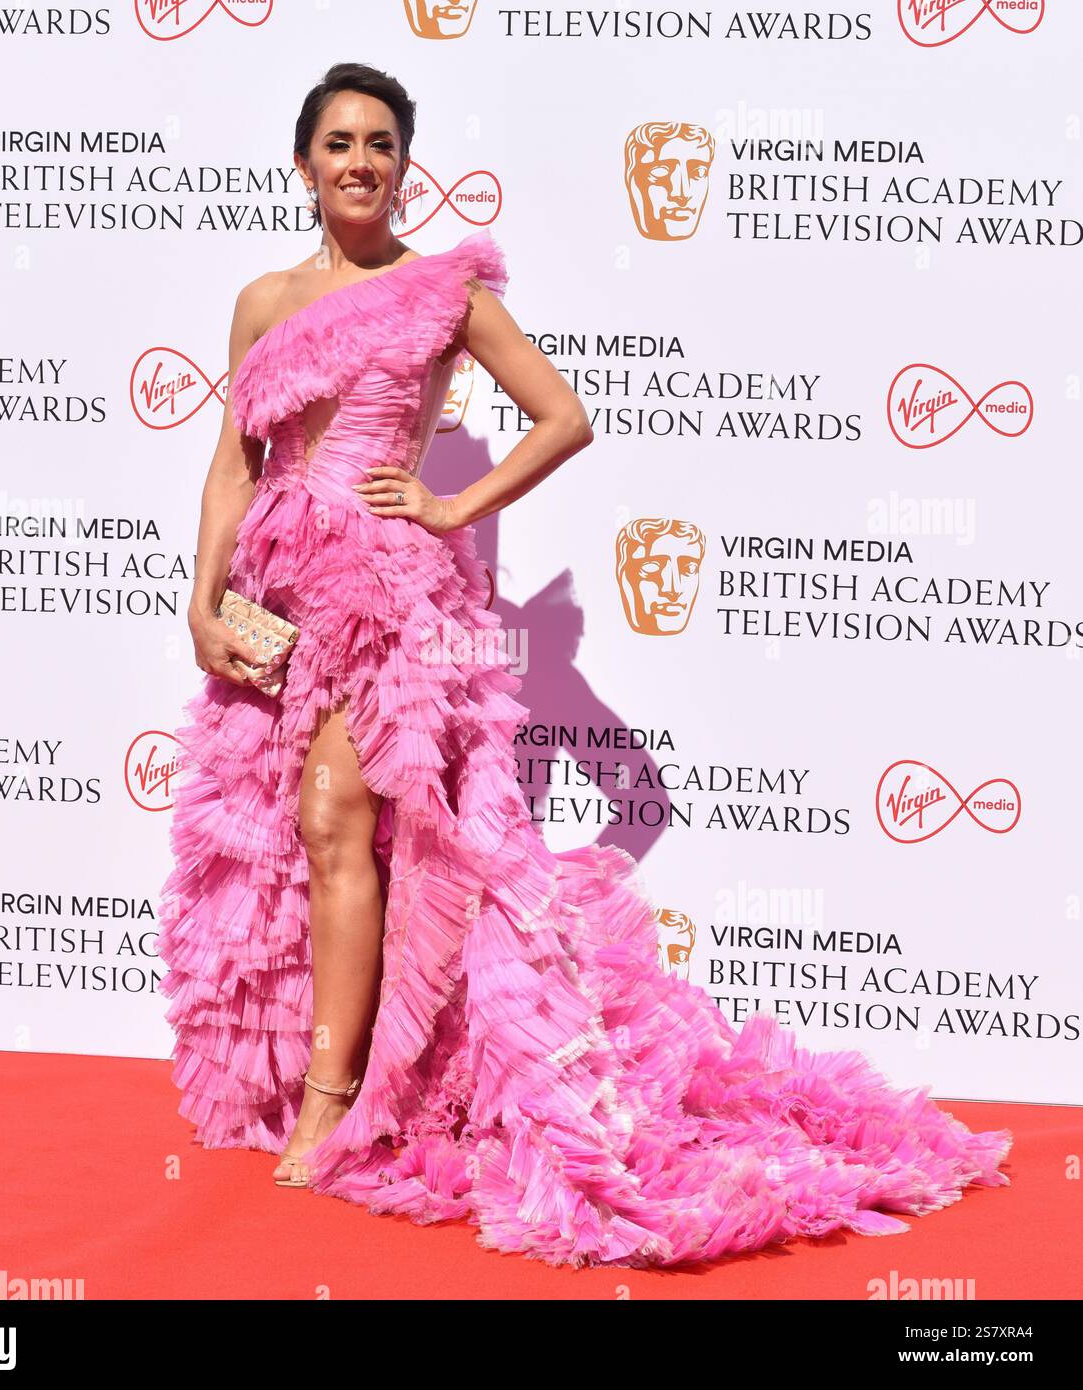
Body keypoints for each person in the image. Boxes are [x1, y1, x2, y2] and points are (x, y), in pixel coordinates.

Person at [156, 62, 1013, 1269]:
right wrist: (202, 602)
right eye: (339, 141)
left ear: (406, 166)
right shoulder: (260, 301)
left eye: (382, 143)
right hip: (282, 593)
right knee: (300, 838)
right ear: (303, 162)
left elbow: (564, 415)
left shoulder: (440, 290)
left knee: (341, 811)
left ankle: (334, 1102)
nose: (360, 161)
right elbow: (235, 464)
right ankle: (347, 1067)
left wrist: (452, 505)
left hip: (395, 593)